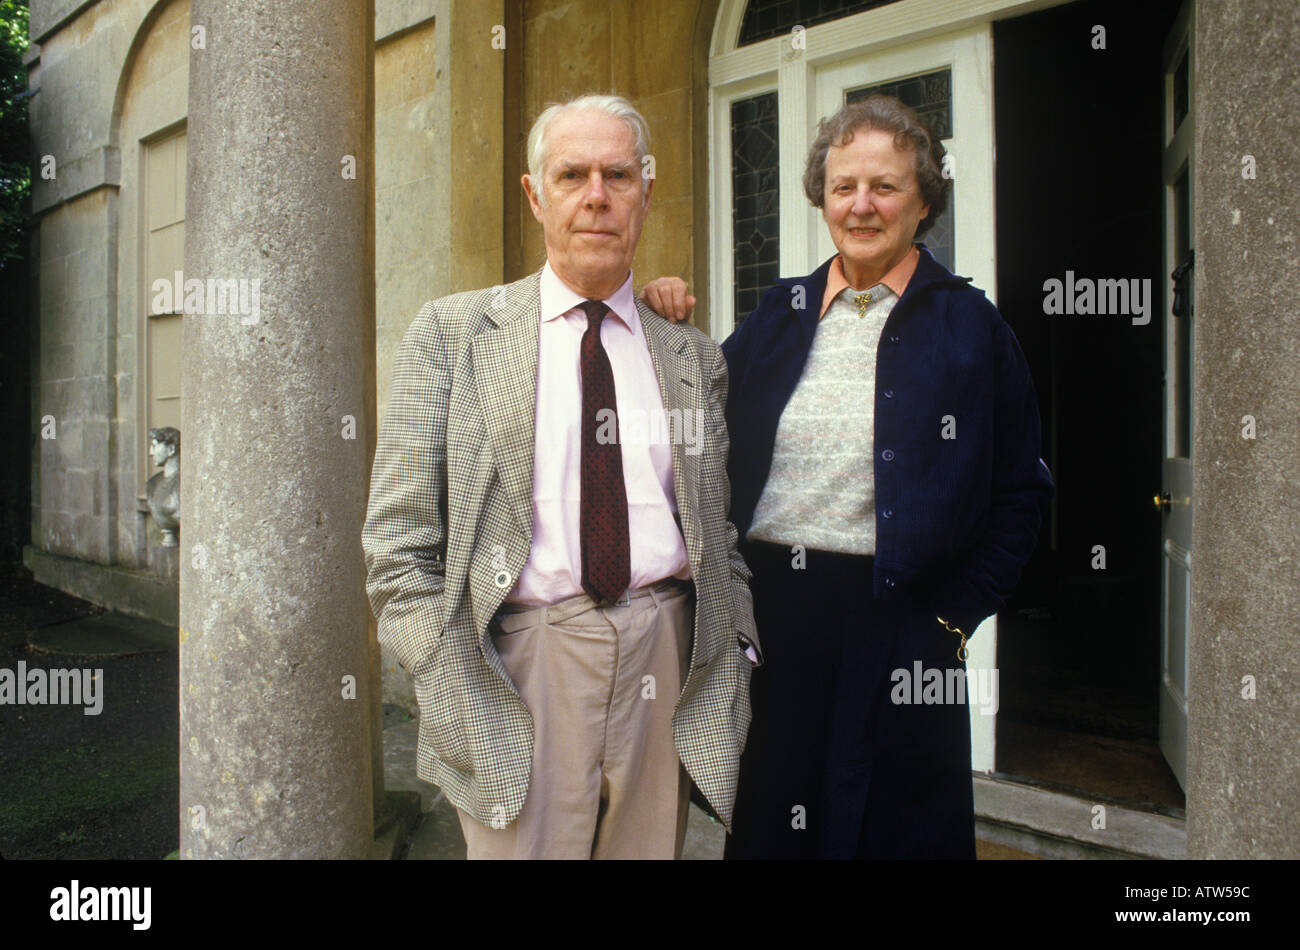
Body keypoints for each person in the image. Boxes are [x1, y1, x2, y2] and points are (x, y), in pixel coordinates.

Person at [643, 95, 1053, 858]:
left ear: (923, 199)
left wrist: (953, 620)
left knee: (895, 829)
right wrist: (660, 319)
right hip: (778, 614)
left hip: (907, 617)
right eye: (842, 187)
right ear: (822, 198)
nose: (861, 205)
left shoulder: (972, 327)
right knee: (777, 816)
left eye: (885, 186)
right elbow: (692, 410)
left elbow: (1023, 491)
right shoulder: (783, 311)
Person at [362, 94, 760, 860]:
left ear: (646, 190)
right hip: (518, 666)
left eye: (617, 174)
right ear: (534, 194)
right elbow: (396, 540)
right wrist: (444, 673)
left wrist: (737, 647)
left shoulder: (691, 356)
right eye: (571, 174)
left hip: (666, 658)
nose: (596, 195)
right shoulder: (453, 335)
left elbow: (720, 532)